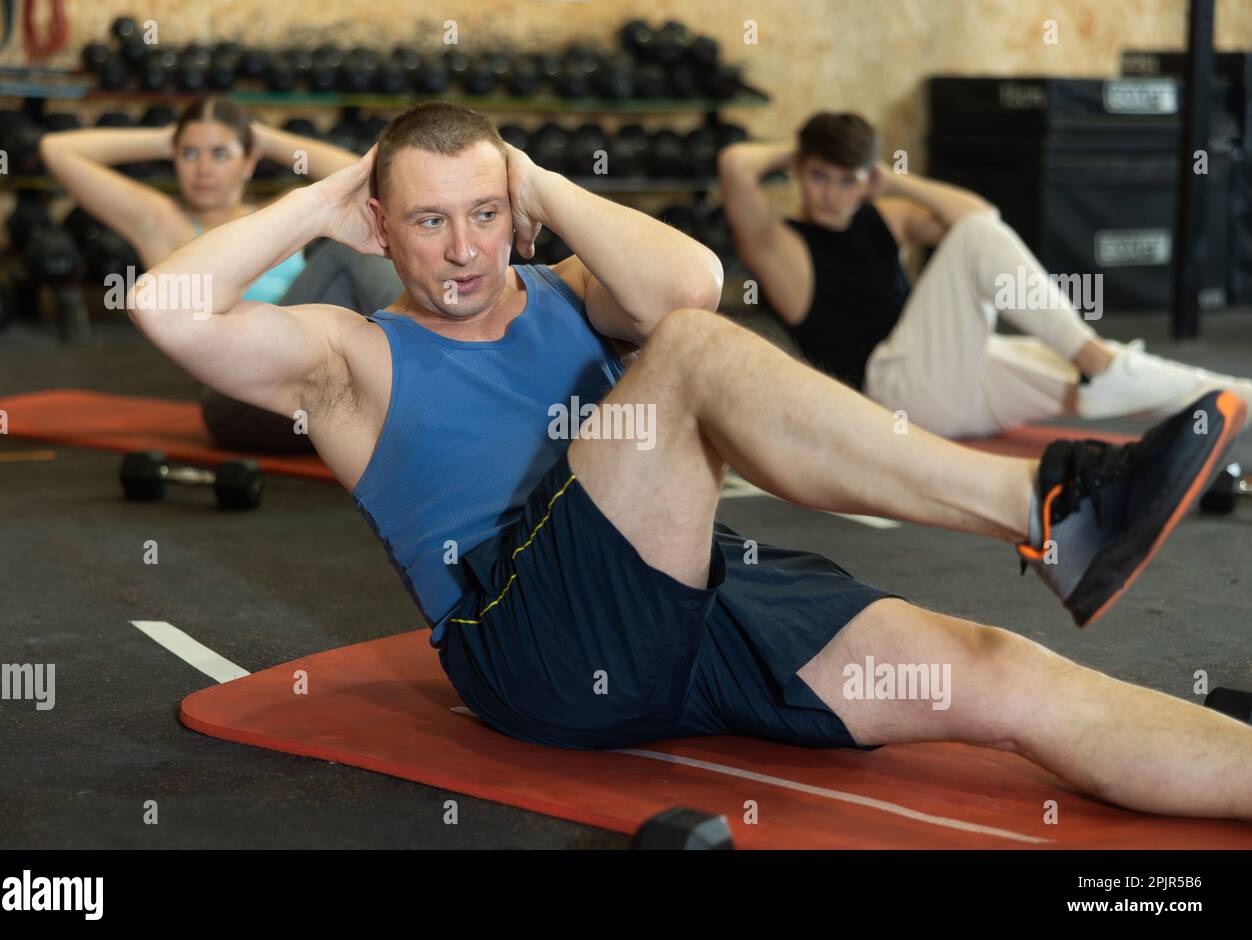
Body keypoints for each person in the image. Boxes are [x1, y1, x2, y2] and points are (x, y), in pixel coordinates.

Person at [126, 101, 1251, 821]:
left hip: (692, 594)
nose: (463, 249)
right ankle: (1043, 502)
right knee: (697, 360)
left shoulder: (564, 290)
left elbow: (690, 284)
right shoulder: (352, 361)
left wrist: (544, 186)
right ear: (382, 224)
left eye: (483, 213)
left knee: (997, 670)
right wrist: (325, 199)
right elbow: (168, 309)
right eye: (427, 223)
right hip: (534, 646)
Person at [717, 112, 1252, 439]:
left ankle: (1237, 397)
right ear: (800, 172)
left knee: (1087, 379)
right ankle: (1093, 357)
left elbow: (980, 211)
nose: (830, 193)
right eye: (817, 177)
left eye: (845, 181)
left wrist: (895, 180)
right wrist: (808, 147)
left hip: (953, 382)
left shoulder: (886, 216)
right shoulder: (780, 248)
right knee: (981, 248)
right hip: (894, 395)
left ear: (866, 181)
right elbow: (735, 164)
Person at [39, 96, 404, 453]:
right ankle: (430, 385)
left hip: (323, 388)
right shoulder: (161, 223)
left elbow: (366, 179)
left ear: (248, 163)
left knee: (364, 249)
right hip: (245, 402)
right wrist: (166, 138)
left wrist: (266, 138)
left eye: (219, 154)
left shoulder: (280, 214)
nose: (203, 169)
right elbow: (57, 150)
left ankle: (418, 392)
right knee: (349, 254)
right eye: (189, 154)